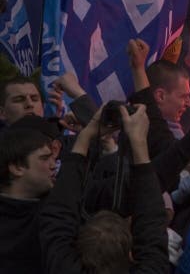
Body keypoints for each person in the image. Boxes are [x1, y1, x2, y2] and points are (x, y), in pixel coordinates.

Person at [38, 103, 170, 273]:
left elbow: (58, 215)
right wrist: (139, 143)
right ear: (131, 255)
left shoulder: (61, 266)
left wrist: (85, 136)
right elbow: (152, 225)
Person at [0, 127, 56, 273]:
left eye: (52, 158)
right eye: (44, 158)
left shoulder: (55, 208)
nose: (53, 165)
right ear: (17, 167)